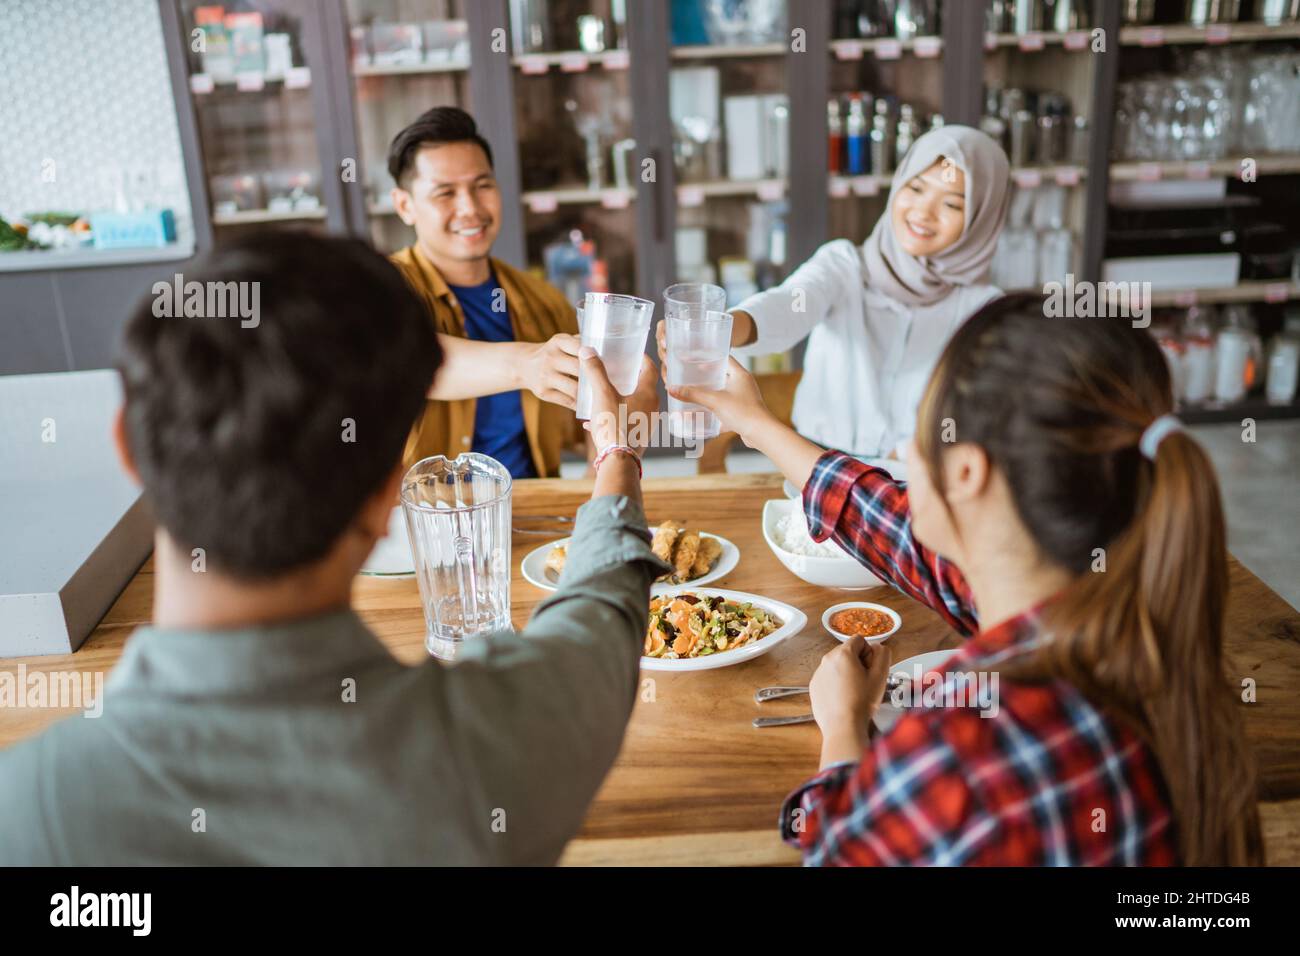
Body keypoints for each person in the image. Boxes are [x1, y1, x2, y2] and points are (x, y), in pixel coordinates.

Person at [0, 232, 667, 865]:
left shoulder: (27, 812)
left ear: (130, 452)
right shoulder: (498, 748)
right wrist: (616, 449)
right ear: (389, 502)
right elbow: (603, 610)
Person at [670, 292, 1263, 865]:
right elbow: (892, 524)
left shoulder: (956, 755)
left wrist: (844, 732)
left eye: (921, 431)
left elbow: (841, 848)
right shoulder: (1141, 629)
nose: (903, 450)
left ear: (968, 472)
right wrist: (757, 426)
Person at [662, 126, 1011, 460]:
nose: (923, 212)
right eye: (916, 188)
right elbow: (789, 305)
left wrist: (902, 456)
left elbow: (979, 413)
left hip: (912, 479)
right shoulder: (844, 265)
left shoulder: (986, 310)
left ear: (981, 219)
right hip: (814, 463)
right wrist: (719, 330)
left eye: (952, 204)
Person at [388, 106, 586, 479]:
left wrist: (619, 421)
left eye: (483, 186)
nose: (470, 208)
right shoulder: (379, 287)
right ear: (404, 205)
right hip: (425, 526)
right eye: (445, 193)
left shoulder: (542, 301)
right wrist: (526, 364)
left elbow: (584, 431)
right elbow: (409, 361)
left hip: (533, 518)